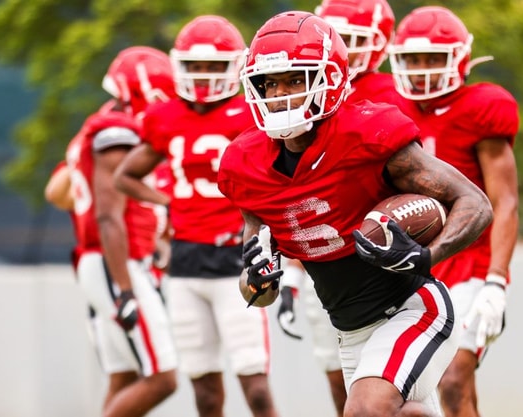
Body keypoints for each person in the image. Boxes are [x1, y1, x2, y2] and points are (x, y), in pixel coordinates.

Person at [217, 11, 493, 417]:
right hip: (349, 331)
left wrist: (427, 256)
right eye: (270, 83)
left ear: (328, 78)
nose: (280, 94)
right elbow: (258, 291)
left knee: (363, 411)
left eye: (295, 79)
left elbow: (475, 204)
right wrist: (257, 280)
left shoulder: (367, 135)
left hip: (412, 309)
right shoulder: (247, 166)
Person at [114, 15, 280, 417]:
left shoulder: (250, 113)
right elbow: (125, 175)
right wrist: (166, 202)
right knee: (205, 393)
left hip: (233, 261)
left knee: (254, 384)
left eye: (212, 66)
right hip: (185, 263)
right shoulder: (165, 117)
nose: (203, 75)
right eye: (196, 66)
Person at [387, 6, 519, 417]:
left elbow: (505, 201)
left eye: (433, 59)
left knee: (453, 378)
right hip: (411, 266)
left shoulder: (481, 107)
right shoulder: (388, 112)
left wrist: (497, 281)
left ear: (459, 60)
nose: (423, 70)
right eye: (414, 59)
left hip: (468, 265)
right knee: (427, 393)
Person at [269, 1, 399, 415]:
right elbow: (296, 190)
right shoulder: (302, 98)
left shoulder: (392, 97)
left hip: (382, 263)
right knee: (338, 380)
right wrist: (290, 271)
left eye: (355, 39)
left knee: (393, 392)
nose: (345, 48)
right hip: (319, 262)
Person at [48, 45, 179, 417]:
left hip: (104, 260)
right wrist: (124, 287)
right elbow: (108, 215)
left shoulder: (94, 128)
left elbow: (56, 192)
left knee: (124, 377)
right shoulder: (117, 132)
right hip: (117, 262)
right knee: (163, 377)